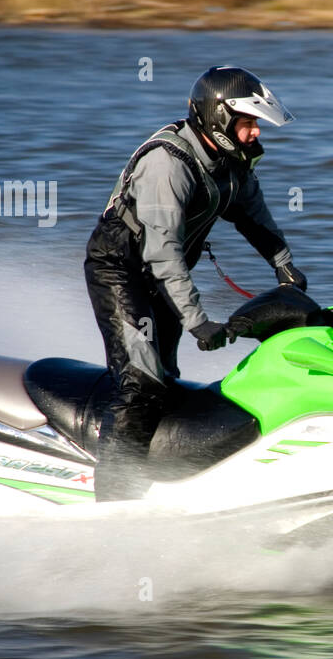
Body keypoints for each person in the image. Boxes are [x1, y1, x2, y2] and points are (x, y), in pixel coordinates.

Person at [83, 66, 307, 500]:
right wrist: (197, 321)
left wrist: (284, 266)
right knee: (141, 381)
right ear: (219, 119)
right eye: (247, 122)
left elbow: (252, 215)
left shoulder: (230, 162)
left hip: (164, 272)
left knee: (165, 379)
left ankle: (155, 479)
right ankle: (111, 500)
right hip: (121, 270)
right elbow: (161, 252)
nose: (255, 131)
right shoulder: (168, 164)